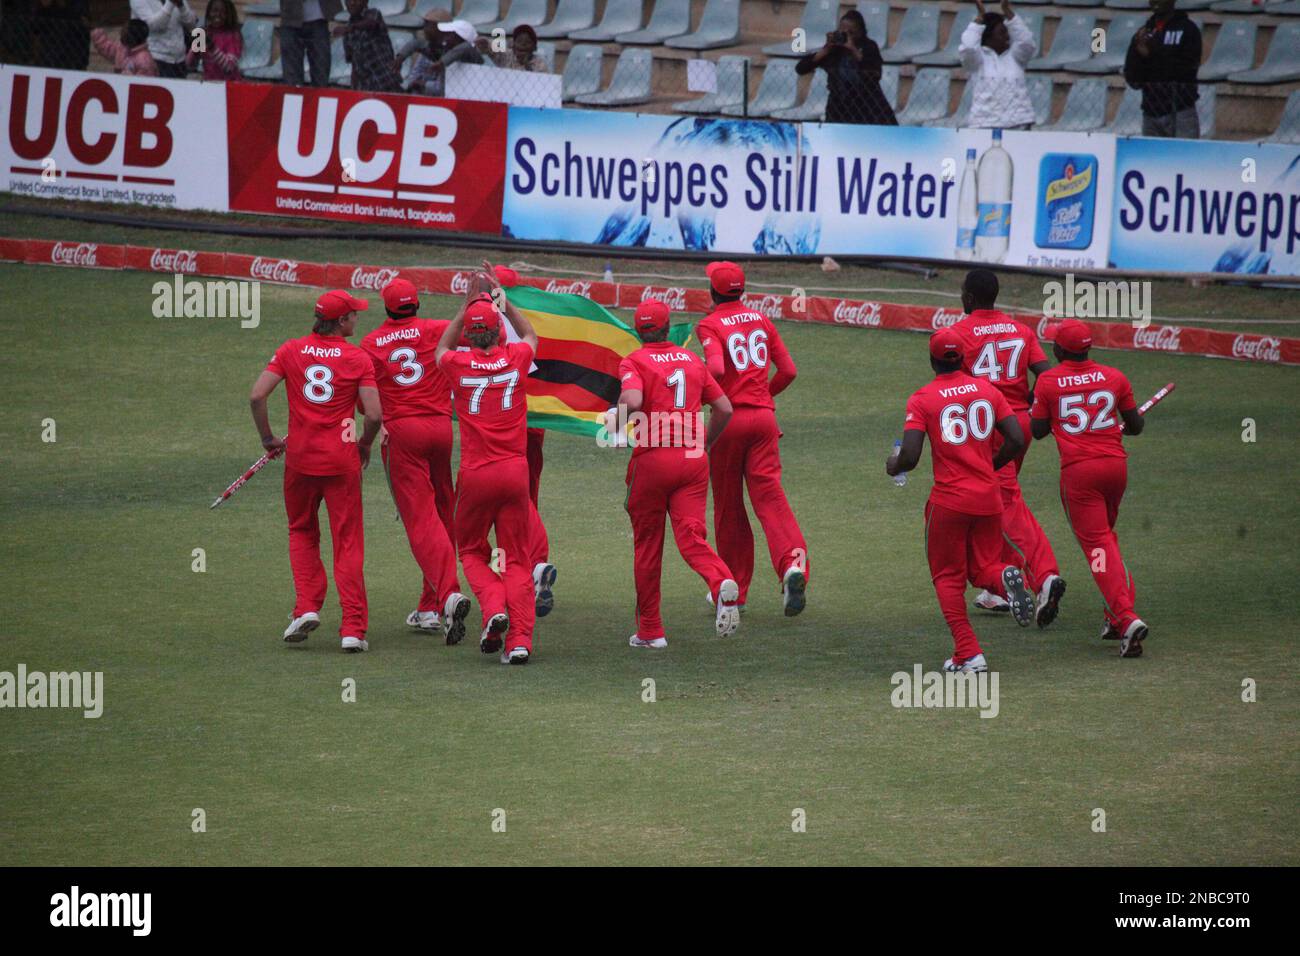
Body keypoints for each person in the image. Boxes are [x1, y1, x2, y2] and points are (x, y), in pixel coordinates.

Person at [886, 332, 1036, 674]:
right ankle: (1006, 577)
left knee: (948, 577)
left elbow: (909, 456)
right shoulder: (988, 390)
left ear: (932, 360)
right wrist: (990, 466)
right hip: (988, 497)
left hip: (950, 502)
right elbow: (1016, 437)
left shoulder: (922, 399)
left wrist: (893, 465)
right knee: (983, 567)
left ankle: (968, 652)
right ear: (964, 358)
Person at [249, 290, 381, 653]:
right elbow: (373, 415)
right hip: (341, 463)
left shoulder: (291, 349)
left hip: (300, 462)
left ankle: (306, 607)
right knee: (348, 542)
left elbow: (257, 396)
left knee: (301, 531)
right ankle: (353, 628)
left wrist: (268, 438)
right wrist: (364, 444)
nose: (358, 318)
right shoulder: (357, 358)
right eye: (354, 314)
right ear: (341, 322)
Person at [614, 301, 740, 648]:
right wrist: (706, 444)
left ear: (638, 330)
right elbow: (725, 408)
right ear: (669, 328)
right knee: (691, 537)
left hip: (653, 461)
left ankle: (651, 631)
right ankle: (720, 582)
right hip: (693, 459)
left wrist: (613, 421)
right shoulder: (693, 360)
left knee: (648, 546)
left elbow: (634, 400)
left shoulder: (635, 361)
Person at [359, 277, 471, 645]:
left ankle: (448, 593)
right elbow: (486, 335)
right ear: (417, 304)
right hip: (441, 429)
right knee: (443, 511)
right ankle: (429, 606)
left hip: (402, 435)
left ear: (386, 308)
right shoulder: (439, 329)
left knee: (422, 519)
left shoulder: (371, 344)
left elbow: (366, 402)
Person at [951, 269, 1065, 626]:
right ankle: (998, 587)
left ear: (968, 298)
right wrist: (1032, 399)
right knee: (992, 503)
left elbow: (951, 385)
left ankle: (1044, 575)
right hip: (1021, 425)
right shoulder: (1020, 329)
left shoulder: (958, 332)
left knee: (1005, 503)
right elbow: (1046, 376)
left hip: (986, 427)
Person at [435, 273, 539, 665]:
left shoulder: (457, 364)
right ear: (500, 332)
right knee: (516, 558)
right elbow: (530, 335)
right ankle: (520, 642)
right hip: (515, 472)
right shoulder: (516, 357)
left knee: (473, 552)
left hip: (476, 475)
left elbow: (441, 346)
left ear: (468, 334)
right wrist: (504, 302)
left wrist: (465, 309)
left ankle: (494, 606)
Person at [695, 261, 809, 616]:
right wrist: (765, 396)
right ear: (742, 291)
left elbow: (714, 369)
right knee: (771, 498)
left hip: (728, 421)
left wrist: (699, 395)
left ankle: (735, 591)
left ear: (712, 293)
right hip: (763, 421)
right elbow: (788, 371)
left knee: (729, 507)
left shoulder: (709, 324)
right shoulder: (762, 320)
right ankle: (794, 565)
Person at [1030, 320, 1149, 658]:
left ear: (1060, 350)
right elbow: (1136, 426)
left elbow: (1037, 430)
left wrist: (1055, 416)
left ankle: (1126, 618)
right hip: (1115, 469)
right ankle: (1115, 618)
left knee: (1097, 551)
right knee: (1107, 541)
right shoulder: (1114, 377)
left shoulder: (1048, 381)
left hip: (1080, 475)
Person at [490, 264, 558, 617]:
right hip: (536, 421)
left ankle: (523, 569)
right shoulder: (528, 320)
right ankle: (533, 565)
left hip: (500, 426)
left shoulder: (487, 324)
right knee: (526, 494)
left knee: (508, 502)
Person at [794, 8, 896, 126]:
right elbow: (801, 68)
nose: (846, 36)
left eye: (851, 33)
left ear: (861, 32)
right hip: (838, 107)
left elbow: (875, 74)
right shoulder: (834, 50)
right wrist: (825, 50)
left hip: (868, 107)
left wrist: (853, 50)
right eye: (843, 32)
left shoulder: (869, 46)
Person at [1124, 0, 1202, 139]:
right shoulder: (1143, 33)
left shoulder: (1188, 30)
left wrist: (1152, 55)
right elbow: (1132, 78)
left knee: (1185, 158)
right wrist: (1140, 56)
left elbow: (1186, 70)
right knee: (1152, 160)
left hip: (1180, 110)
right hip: (1150, 112)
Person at [959, 0, 1037, 130]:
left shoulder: (1016, 56)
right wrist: (979, 20)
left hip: (1019, 123)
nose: (1007, 36)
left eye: (1007, 32)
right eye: (1002, 32)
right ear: (988, 36)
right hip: (985, 124)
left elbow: (1026, 42)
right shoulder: (977, 60)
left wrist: (1008, 12)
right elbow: (968, 48)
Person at [401, 17, 483, 98]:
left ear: (460, 38)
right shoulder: (440, 50)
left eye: (450, 34)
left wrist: (423, 84)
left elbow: (444, 87)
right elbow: (414, 79)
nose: (445, 36)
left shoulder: (471, 55)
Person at [336, 0, 400, 92]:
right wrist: (353, 89)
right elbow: (354, 66)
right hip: (365, 86)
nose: (352, 3)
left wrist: (351, 28)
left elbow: (371, 23)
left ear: (365, 2)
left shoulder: (374, 14)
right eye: (349, 0)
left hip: (386, 80)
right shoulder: (347, 31)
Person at [279, 0, 341, 87]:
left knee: (321, 73)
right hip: (290, 19)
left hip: (320, 20)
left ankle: (318, 97)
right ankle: (294, 98)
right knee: (292, 78)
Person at [129, 0, 197, 77]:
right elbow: (153, 26)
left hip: (179, 60)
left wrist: (181, 6)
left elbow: (191, 24)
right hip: (155, 60)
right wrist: (171, 3)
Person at [187, 0, 242, 81]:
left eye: (223, 12)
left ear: (228, 15)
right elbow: (189, 64)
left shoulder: (233, 36)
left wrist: (211, 46)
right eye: (214, 11)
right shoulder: (205, 32)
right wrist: (195, 49)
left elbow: (229, 66)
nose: (218, 15)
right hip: (209, 84)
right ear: (209, 13)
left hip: (228, 85)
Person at [33, 0, 91, 70]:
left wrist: (63, 5)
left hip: (73, 55)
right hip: (49, 55)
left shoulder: (79, 4)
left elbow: (84, 25)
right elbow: (36, 29)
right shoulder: (46, 6)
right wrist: (43, 8)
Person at [91, 19, 158, 76]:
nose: (121, 33)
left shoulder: (144, 61)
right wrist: (97, 34)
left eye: (124, 31)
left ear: (132, 36)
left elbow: (143, 84)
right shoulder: (123, 49)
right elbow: (108, 49)